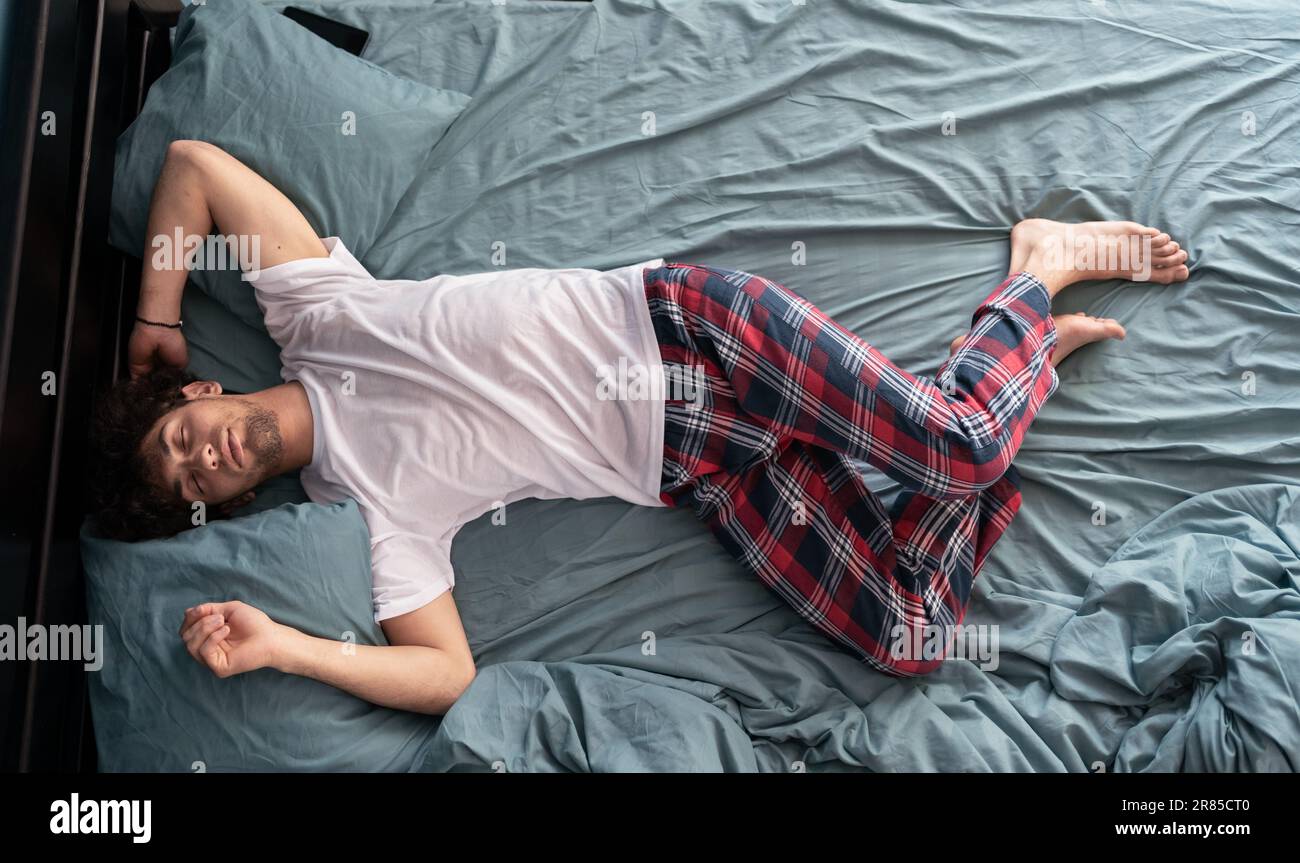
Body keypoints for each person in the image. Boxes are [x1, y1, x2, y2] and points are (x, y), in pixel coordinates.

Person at [89, 140, 1190, 712]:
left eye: (185, 436)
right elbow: (446, 677)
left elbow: (192, 168)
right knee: (910, 636)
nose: (209, 457)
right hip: (695, 464)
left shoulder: (310, 313)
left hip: (694, 334)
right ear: (231, 505)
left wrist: (158, 315)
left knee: (959, 450)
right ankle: (1015, 372)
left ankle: (1033, 271)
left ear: (200, 399)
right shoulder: (363, 512)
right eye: (202, 486)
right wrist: (285, 645)